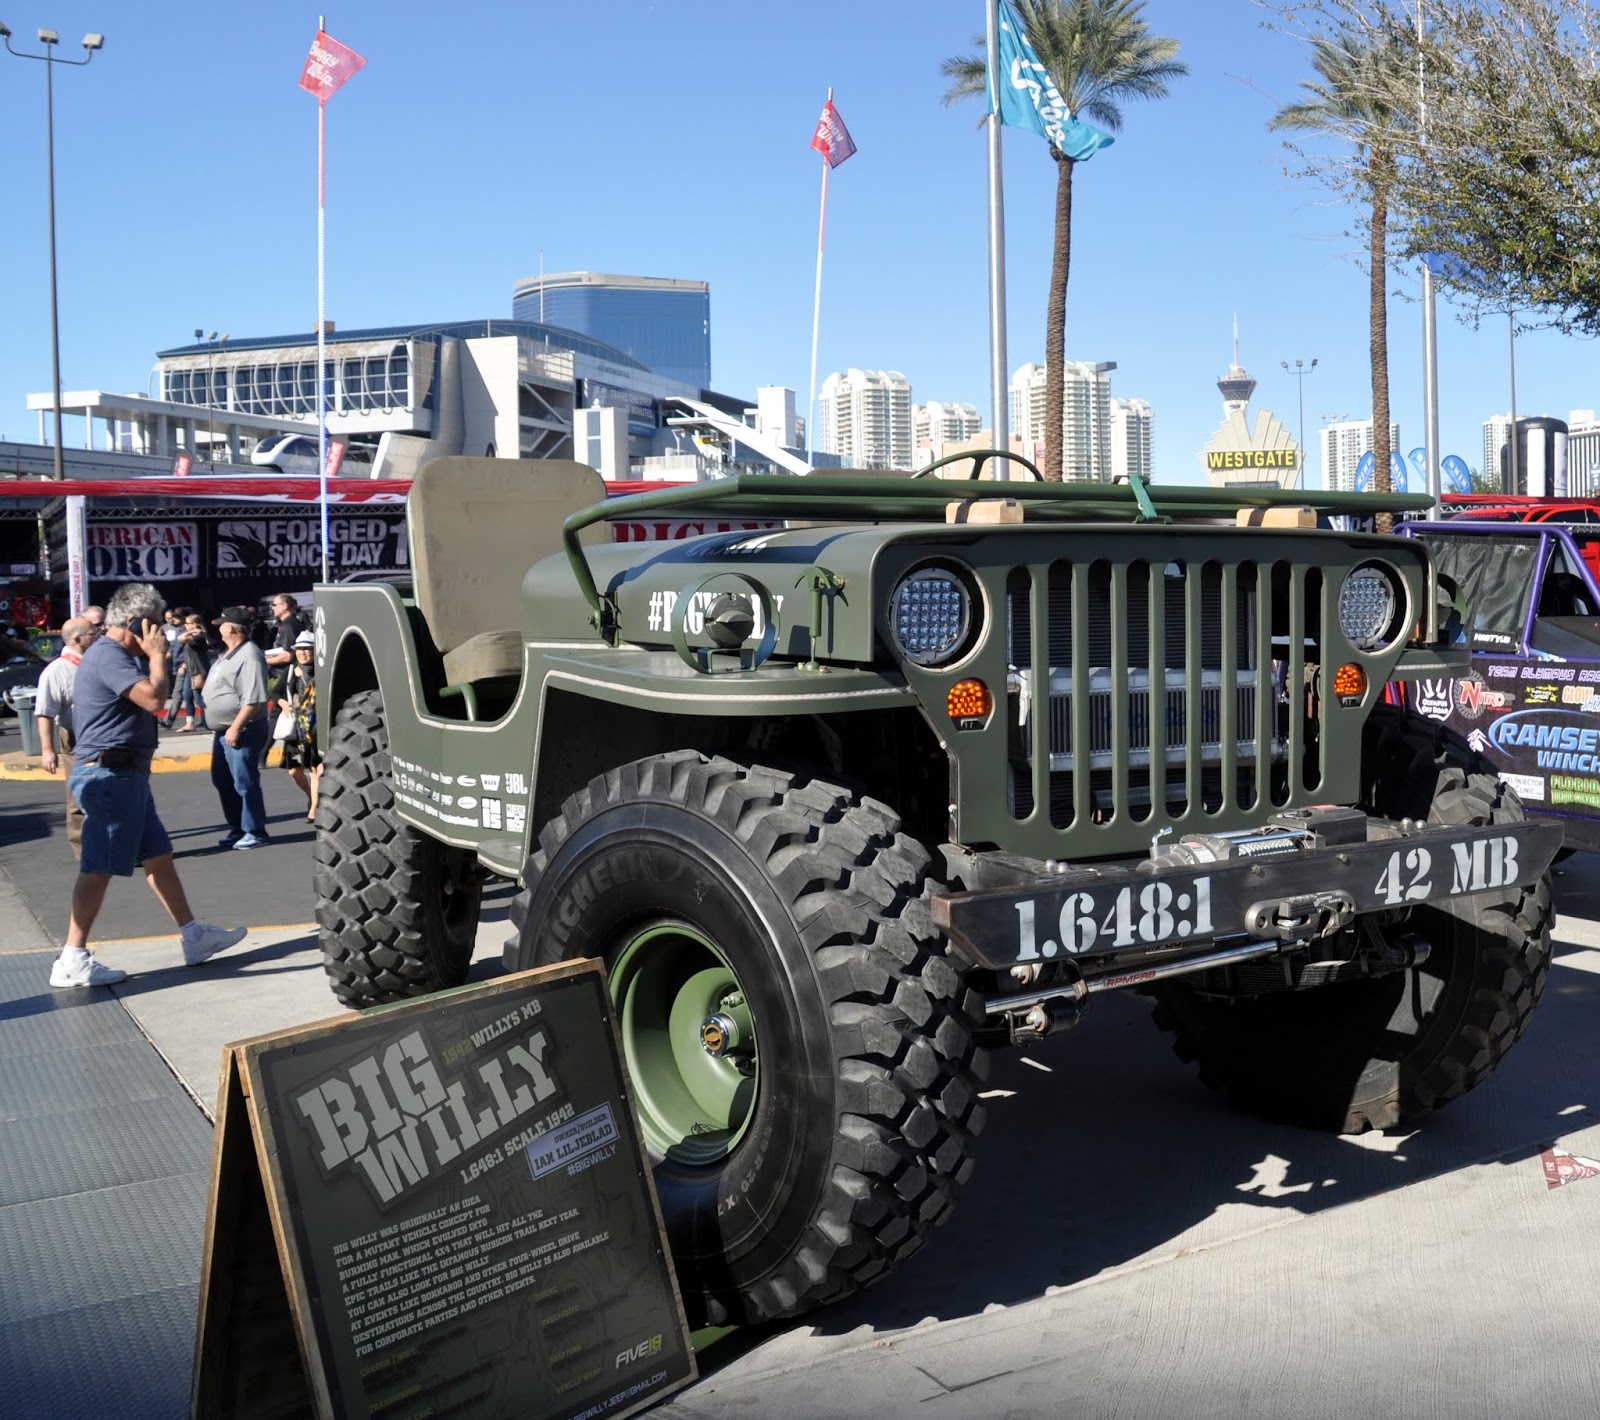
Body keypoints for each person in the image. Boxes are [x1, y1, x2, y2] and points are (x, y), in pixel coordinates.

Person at [51, 582, 246, 990]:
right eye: (155, 623)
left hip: (125, 775)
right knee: (98, 866)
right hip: (109, 775)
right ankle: (72, 957)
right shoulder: (109, 656)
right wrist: (158, 656)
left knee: (158, 856)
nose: (161, 631)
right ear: (136, 622)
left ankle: (193, 936)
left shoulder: (117, 655)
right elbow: (155, 698)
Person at [206, 605, 271, 850]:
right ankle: (237, 828)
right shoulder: (228, 653)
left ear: (231, 628)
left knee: (244, 781)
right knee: (222, 780)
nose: (218, 627)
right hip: (223, 730)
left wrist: (235, 727)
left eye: (221, 623)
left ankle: (255, 830)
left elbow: (254, 699)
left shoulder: (250, 655)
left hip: (243, 729)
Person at [34, 616, 98, 860]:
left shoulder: (98, 662)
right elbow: (44, 713)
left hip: (103, 736)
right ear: (78, 640)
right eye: (93, 633)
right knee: (78, 798)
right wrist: (47, 750)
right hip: (76, 739)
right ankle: (85, 855)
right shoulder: (56, 671)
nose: (98, 636)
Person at [281, 628, 321, 821]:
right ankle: (310, 796)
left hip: (314, 727)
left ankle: (314, 808)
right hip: (296, 728)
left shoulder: (322, 670)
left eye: (308, 649)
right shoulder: (291, 670)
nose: (303, 653)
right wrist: (284, 704)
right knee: (294, 771)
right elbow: (276, 694)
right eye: (299, 649)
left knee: (314, 770)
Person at [174, 611, 213, 732]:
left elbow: (182, 638)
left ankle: (210, 721)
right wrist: (184, 665)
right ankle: (189, 722)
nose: (185, 625)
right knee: (187, 695)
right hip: (190, 670)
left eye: (188, 623)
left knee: (199, 698)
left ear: (195, 624)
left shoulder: (200, 636)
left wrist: (192, 630)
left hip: (199, 670)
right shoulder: (194, 634)